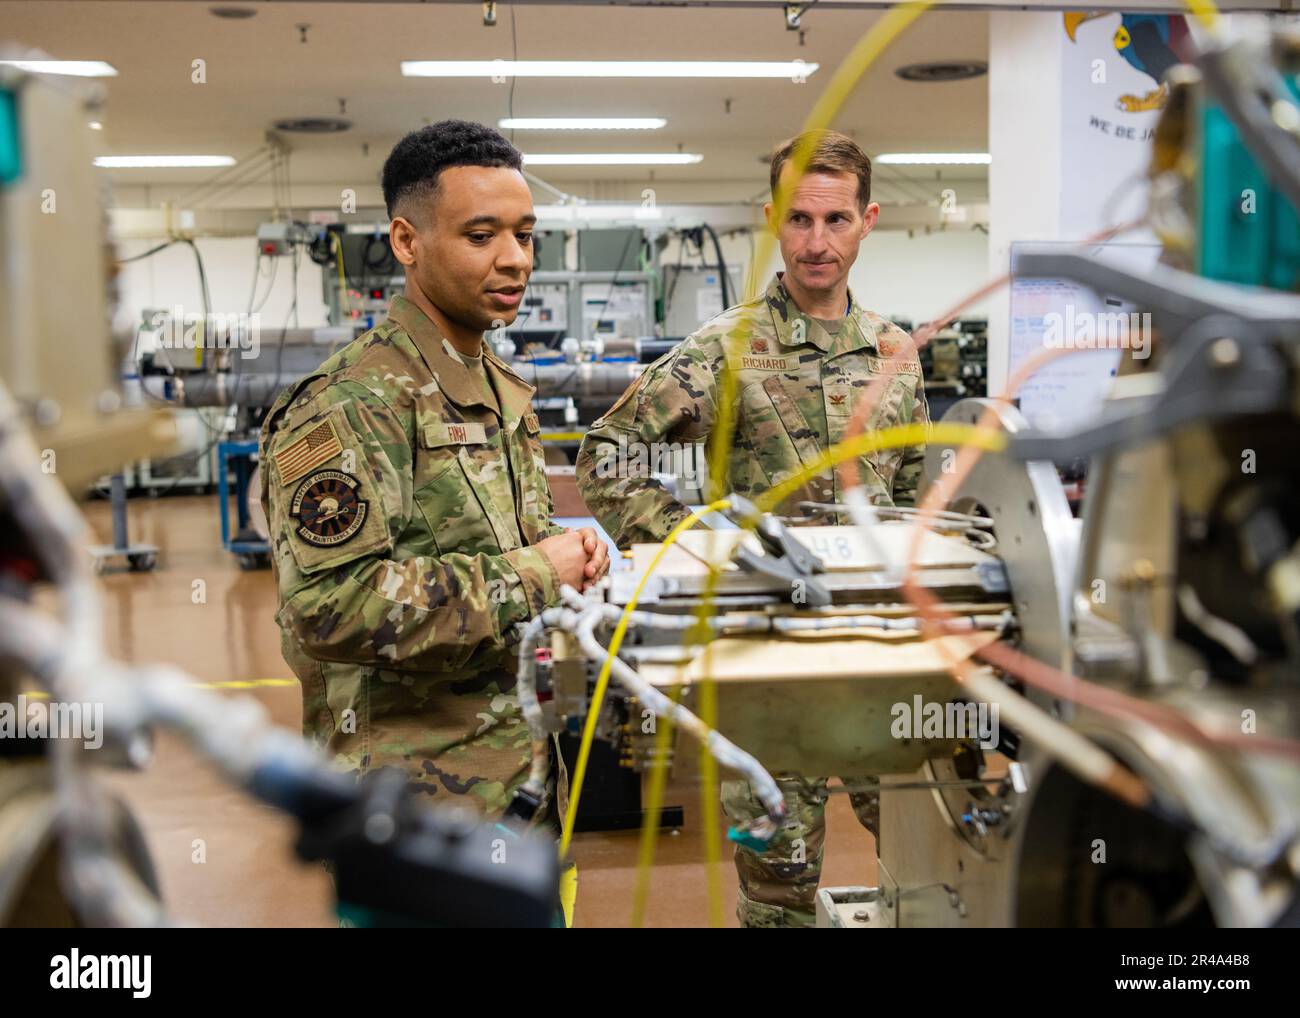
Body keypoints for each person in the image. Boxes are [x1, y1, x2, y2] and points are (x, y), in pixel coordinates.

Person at [575, 129, 929, 926]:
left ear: (867, 219)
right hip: (769, 662)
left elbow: (917, 497)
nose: (816, 242)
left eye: (836, 219)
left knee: (932, 860)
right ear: (772, 219)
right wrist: (701, 543)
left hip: (883, 658)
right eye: (798, 219)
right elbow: (607, 456)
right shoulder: (726, 350)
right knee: (777, 891)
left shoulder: (895, 353)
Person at [260, 120, 608, 826]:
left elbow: (514, 543)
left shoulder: (498, 383)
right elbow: (327, 606)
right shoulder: (352, 401)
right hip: (411, 803)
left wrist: (568, 560)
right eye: (482, 237)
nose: (514, 260)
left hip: (517, 778)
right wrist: (537, 573)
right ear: (407, 241)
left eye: (525, 234)